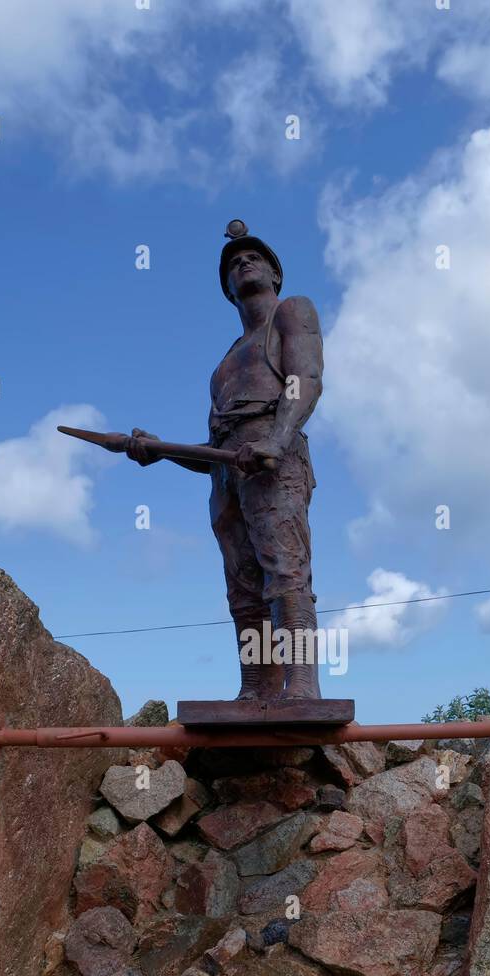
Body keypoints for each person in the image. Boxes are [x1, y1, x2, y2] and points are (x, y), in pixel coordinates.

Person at [127, 220, 325, 701]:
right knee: (243, 586)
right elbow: (213, 451)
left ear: (275, 274)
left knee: (285, 569)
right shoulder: (223, 366)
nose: (242, 263)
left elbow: (305, 380)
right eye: (234, 264)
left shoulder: (291, 312)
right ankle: (257, 687)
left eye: (253, 258)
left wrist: (277, 441)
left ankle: (301, 684)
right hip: (228, 477)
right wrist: (162, 450)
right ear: (227, 290)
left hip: (272, 460)